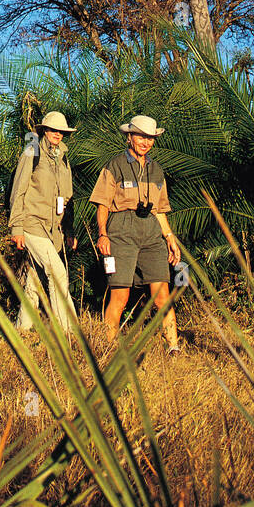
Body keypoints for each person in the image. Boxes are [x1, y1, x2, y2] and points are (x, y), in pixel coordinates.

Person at [90, 114, 181, 352]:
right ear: (129, 137)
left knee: (162, 294)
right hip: (121, 231)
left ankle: (173, 348)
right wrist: (103, 234)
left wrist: (170, 238)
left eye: (150, 138)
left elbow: (160, 210)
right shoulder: (115, 165)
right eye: (141, 136)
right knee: (120, 294)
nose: (145, 141)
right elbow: (103, 204)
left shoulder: (157, 170)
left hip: (151, 233)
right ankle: (108, 348)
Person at [9, 110, 78, 335]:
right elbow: (18, 190)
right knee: (57, 273)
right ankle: (69, 331)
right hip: (31, 223)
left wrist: (69, 230)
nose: (57, 134)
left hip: (53, 229)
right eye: (53, 130)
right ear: (44, 131)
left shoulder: (63, 158)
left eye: (61, 131)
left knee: (34, 278)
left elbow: (67, 198)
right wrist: (17, 227)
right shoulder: (32, 151)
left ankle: (23, 328)